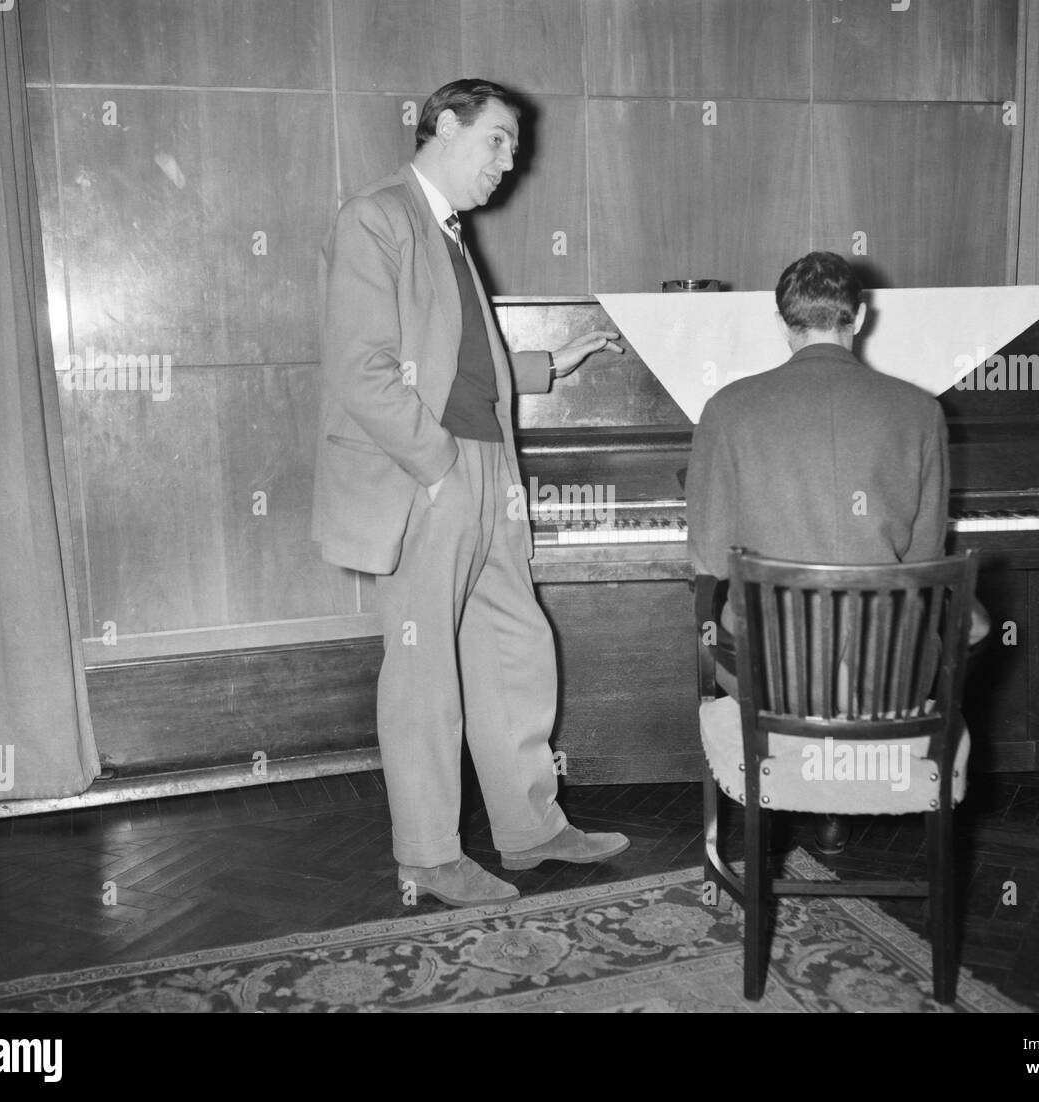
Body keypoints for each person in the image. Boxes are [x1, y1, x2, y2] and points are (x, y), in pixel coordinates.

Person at [312, 79, 628, 907]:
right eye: (497, 140)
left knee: (513, 649)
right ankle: (427, 853)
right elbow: (362, 368)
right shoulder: (375, 217)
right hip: (432, 474)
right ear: (445, 125)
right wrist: (438, 464)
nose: (508, 163)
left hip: (491, 471)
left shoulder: (449, 232)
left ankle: (530, 828)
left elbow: (453, 357)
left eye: (513, 149)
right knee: (423, 672)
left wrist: (552, 365)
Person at [685, 251, 988, 853]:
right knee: (973, 626)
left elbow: (709, 560)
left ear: (782, 320)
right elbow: (926, 556)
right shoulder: (921, 410)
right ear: (861, 314)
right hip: (890, 681)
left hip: (771, 680)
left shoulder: (727, 408)